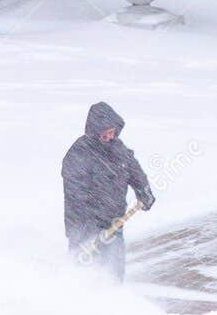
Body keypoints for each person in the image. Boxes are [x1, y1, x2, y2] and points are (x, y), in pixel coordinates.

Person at [61, 102, 154, 281]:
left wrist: (144, 191)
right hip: (86, 228)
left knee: (115, 274)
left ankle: (114, 303)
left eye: (112, 132)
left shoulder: (118, 149)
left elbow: (134, 171)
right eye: (105, 133)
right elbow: (74, 195)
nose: (110, 136)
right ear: (94, 131)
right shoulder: (79, 153)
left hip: (115, 223)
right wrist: (85, 230)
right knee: (85, 275)